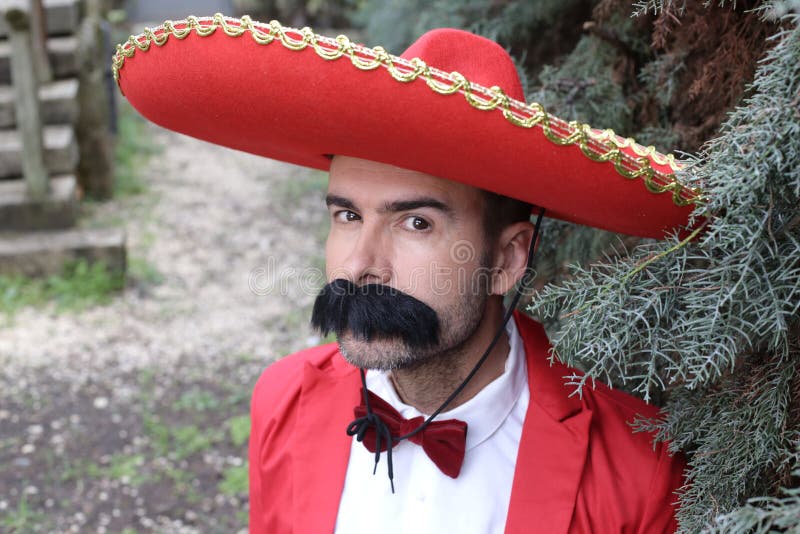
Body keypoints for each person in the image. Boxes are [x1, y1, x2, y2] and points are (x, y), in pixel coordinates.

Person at [113, 13, 701, 533]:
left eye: (415, 223)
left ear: (507, 260)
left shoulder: (636, 470)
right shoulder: (282, 403)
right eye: (347, 215)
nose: (360, 264)